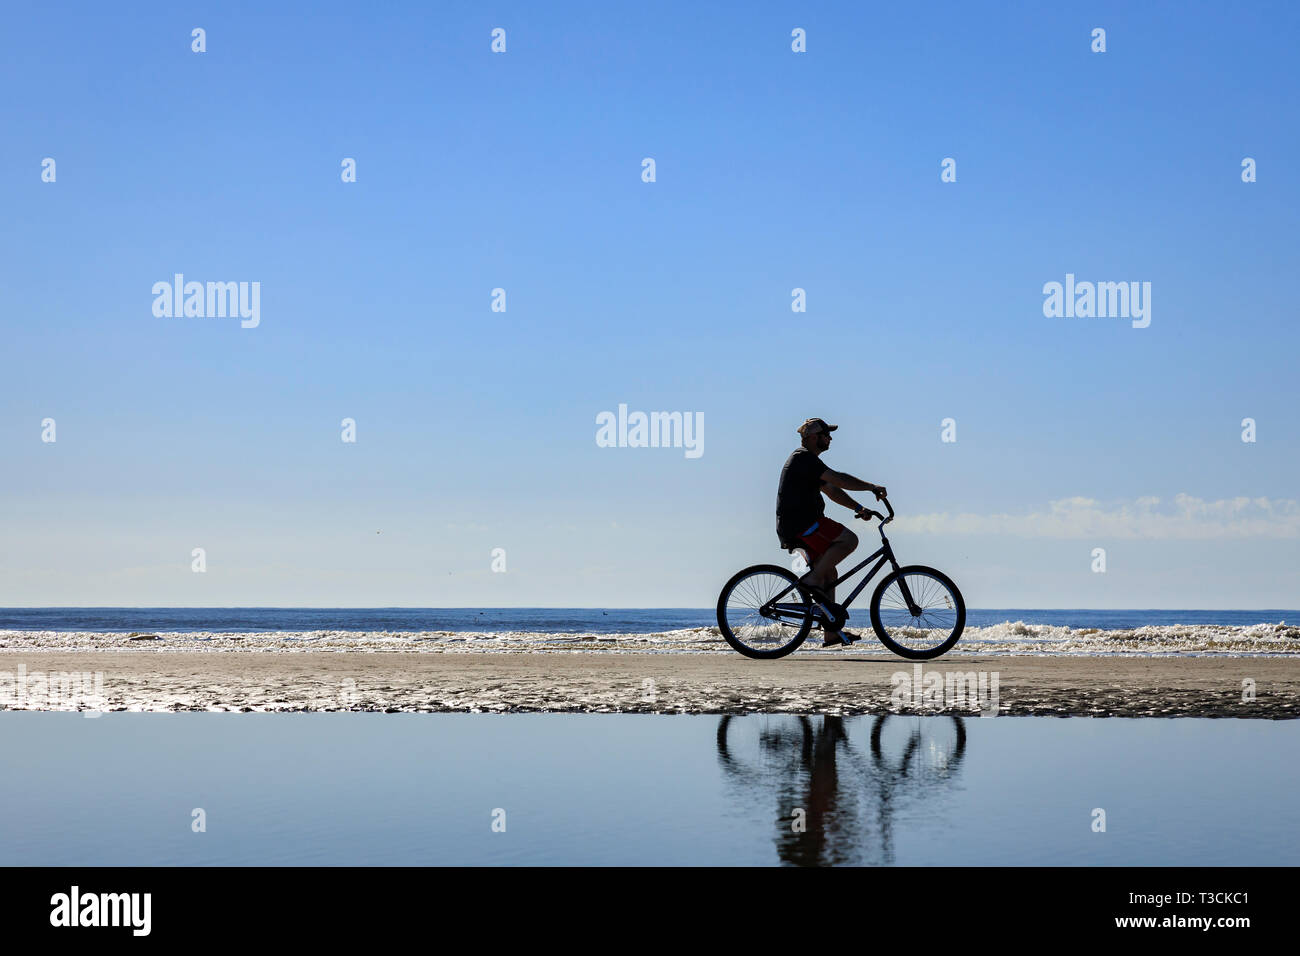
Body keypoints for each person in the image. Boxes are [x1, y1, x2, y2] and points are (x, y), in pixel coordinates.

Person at [775, 418, 887, 646]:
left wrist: (859, 508)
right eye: (827, 434)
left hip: (799, 525)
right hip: (803, 524)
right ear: (814, 437)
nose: (831, 438)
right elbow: (838, 479)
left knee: (830, 575)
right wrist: (871, 486)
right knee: (849, 539)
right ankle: (811, 579)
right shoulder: (803, 458)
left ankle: (831, 632)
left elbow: (832, 490)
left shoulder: (808, 464)